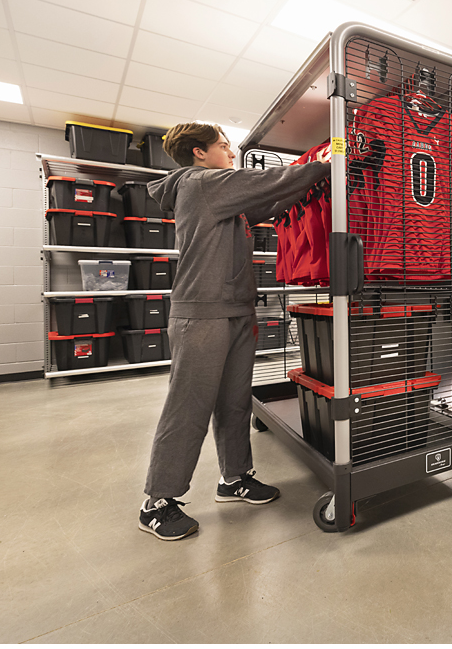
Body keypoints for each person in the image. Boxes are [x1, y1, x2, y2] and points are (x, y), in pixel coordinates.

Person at [138, 123, 331, 540]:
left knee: (234, 402)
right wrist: (326, 159)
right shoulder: (201, 183)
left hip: (236, 310)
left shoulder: (225, 197)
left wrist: (314, 178)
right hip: (202, 314)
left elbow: (272, 199)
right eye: (224, 146)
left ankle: (234, 478)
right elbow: (267, 181)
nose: (231, 153)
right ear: (198, 152)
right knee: (188, 407)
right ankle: (157, 502)